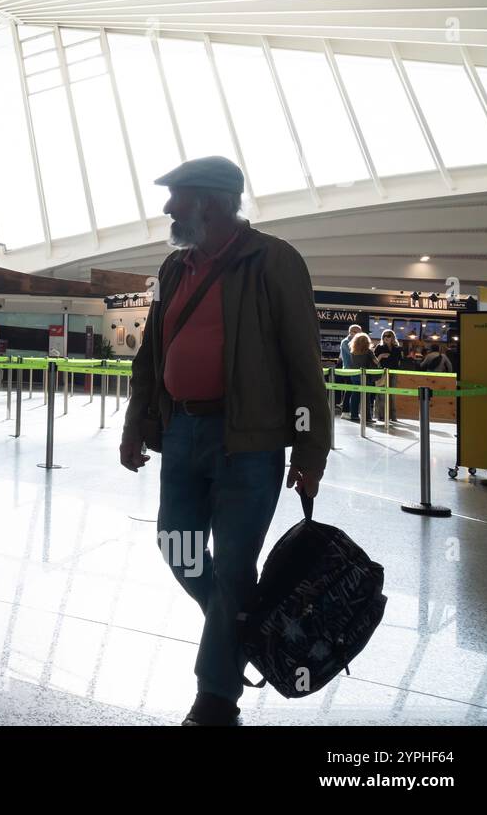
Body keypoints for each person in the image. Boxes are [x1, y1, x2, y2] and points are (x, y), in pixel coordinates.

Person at [119, 156, 329, 727]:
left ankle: (215, 697)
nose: (167, 208)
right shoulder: (172, 269)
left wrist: (311, 451)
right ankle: (241, 627)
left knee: (235, 566)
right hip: (180, 431)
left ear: (209, 201)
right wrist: (137, 422)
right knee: (176, 546)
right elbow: (149, 358)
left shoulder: (274, 261)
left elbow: (305, 365)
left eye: (176, 198)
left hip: (250, 443)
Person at [347, 333, 378, 421]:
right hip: (365, 376)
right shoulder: (368, 351)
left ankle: (354, 415)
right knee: (366, 397)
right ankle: (367, 417)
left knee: (355, 395)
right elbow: (376, 362)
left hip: (354, 375)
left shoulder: (353, 352)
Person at [338, 324, 361, 415]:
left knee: (352, 391)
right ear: (350, 332)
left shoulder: (355, 341)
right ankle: (345, 411)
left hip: (355, 370)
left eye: (358, 332)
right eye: (355, 331)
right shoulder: (346, 342)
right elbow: (353, 354)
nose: (356, 333)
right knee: (349, 390)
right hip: (348, 370)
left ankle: (350, 411)